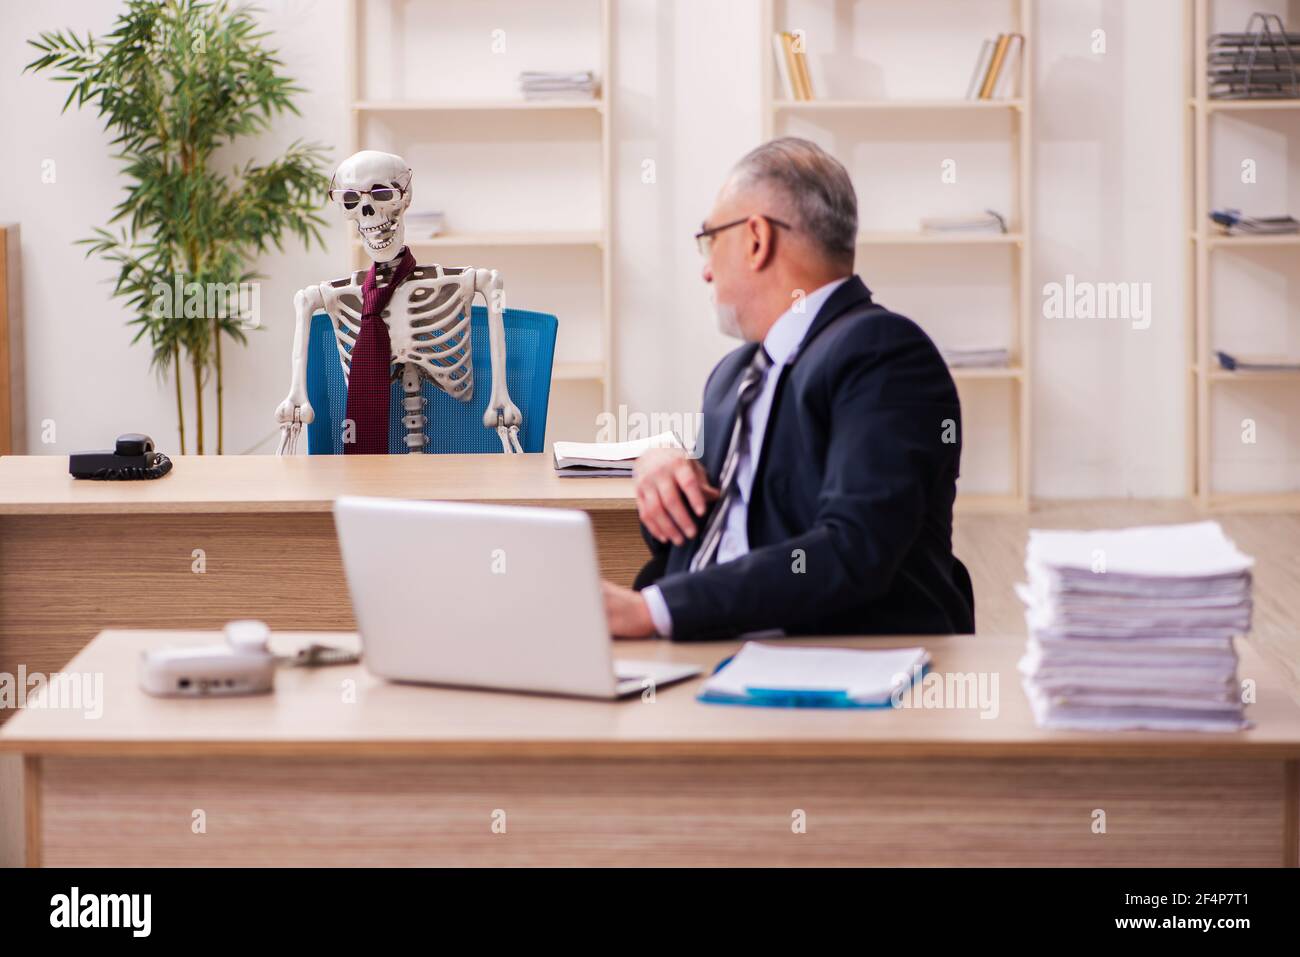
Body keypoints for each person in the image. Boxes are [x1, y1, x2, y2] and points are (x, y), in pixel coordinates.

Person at [601, 137, 974, 641]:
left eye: (710, 240)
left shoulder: (883, 352)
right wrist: (660, 474)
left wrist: (654, 611)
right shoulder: (733, 375)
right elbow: (707, 542)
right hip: (704, 643)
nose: (706, 269)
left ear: (756, 239)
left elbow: (853, 550)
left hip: (832, 660)